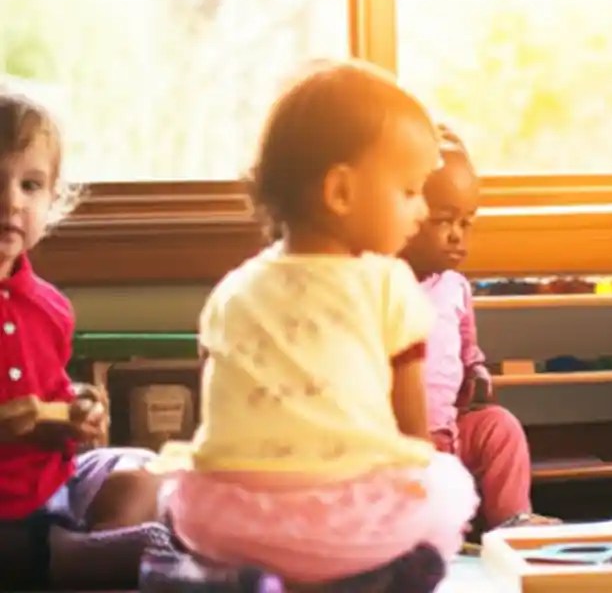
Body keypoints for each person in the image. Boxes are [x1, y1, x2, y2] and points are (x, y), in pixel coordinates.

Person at [153, 60, 478, 588]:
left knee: (187, 515)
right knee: (440, 490)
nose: (420, 211)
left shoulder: (234, 289)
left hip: (235, 518)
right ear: (341, 192)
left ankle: (252, 579)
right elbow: (412, 431)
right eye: (409, 191)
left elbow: (217, 402)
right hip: (347, 525)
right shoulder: (387, 283)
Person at [0, 88, 166, 588]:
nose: (11, 201)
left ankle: (74, 548)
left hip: (54, 483)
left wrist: (77, 409)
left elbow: (55, 394)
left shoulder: (51, 307)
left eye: (30, 185)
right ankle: (62, 558)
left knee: (145, 474)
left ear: (52, 200)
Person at [401, 141, 558, 531]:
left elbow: (468, 347)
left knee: (500, 427)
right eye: (444, 220)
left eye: (466, 222)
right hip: (402, 440)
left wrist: (477, 373)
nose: (458, 236)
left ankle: (511, 519)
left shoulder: (456, 287)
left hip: (453, 427)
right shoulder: (384, 284)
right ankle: (439, 528)